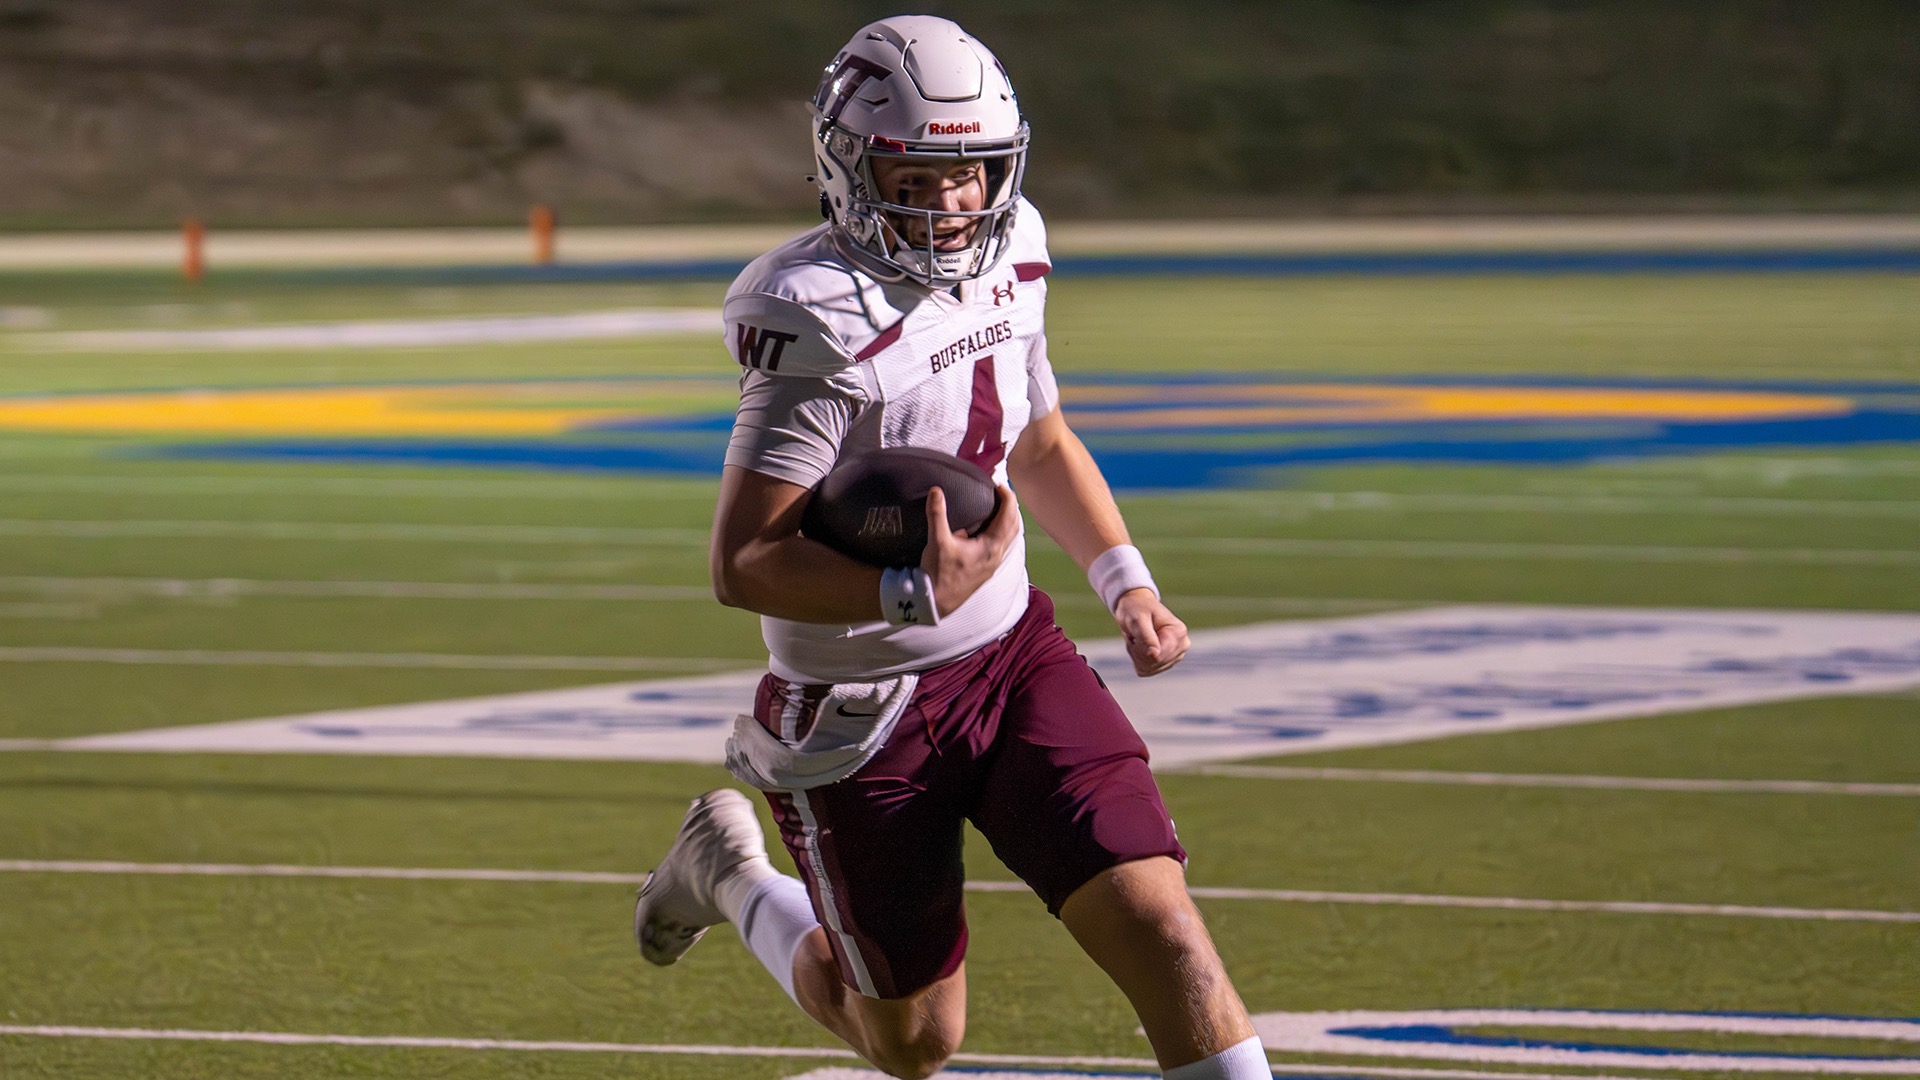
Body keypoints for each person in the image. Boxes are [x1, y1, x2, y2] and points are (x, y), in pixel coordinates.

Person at [635, 15, 1269, 1080]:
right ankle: (732, 878)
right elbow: (741, 563)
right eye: (913, 176)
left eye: (969, 172)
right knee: (913, 1043)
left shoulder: (1016, 250)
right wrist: (904, 591)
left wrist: (1127, 584)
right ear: (848, 168)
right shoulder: (815, 313)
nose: (950, 203)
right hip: (859, 706)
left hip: (1014, 654)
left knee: (1160, 921)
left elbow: (1041, 438)